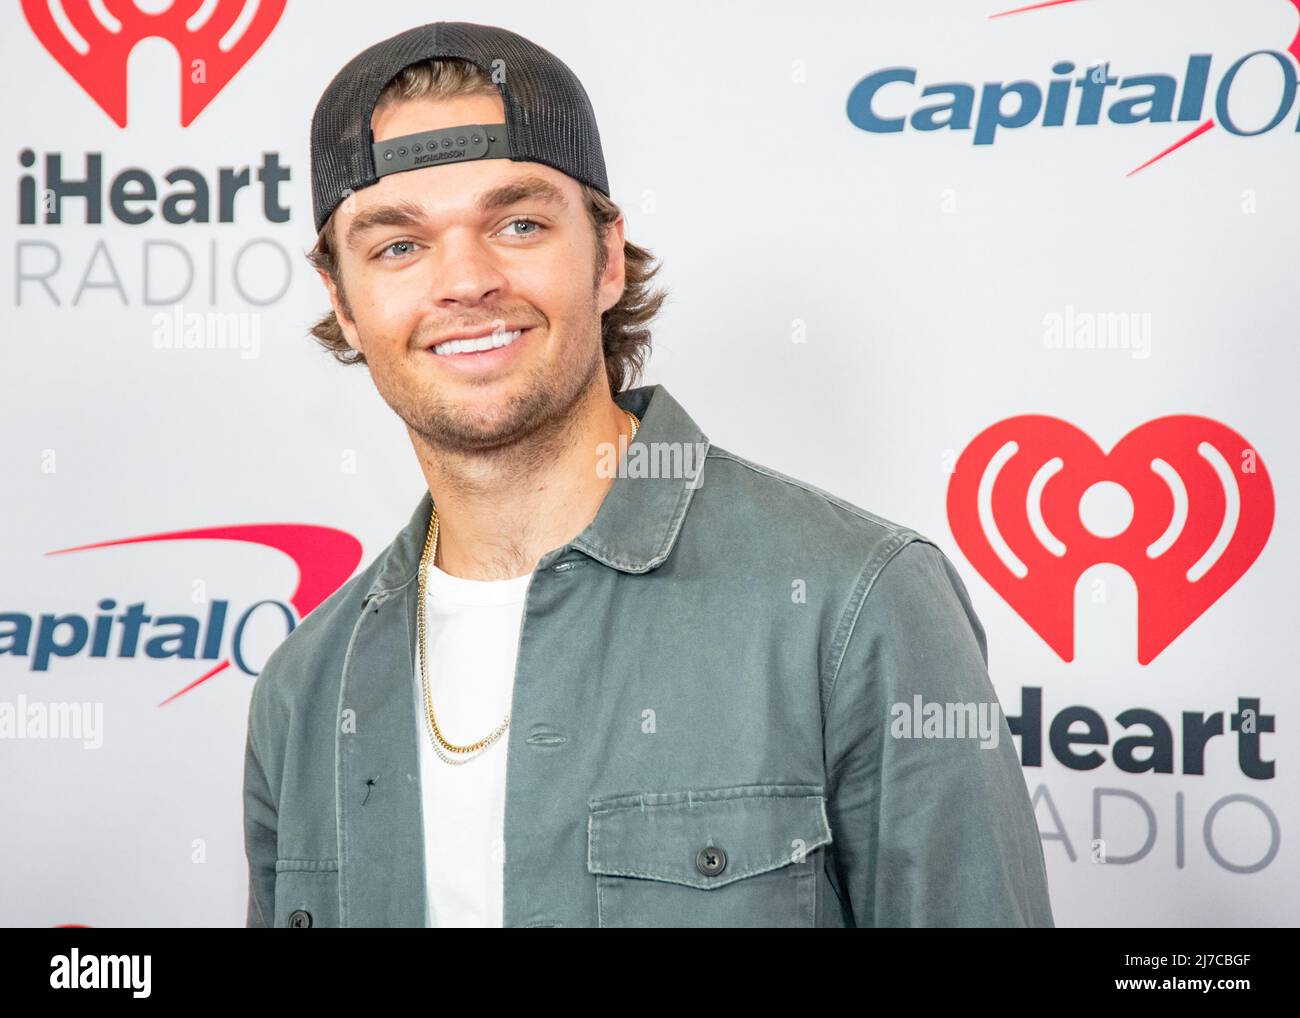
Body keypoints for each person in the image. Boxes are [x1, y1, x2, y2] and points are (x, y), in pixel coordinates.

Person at [242, 20, 1055, 928]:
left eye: (518, 223)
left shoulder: (856, 604)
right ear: (343, 305)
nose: (465, 280)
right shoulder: (306, 688)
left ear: (605, 258)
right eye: (398, 245)